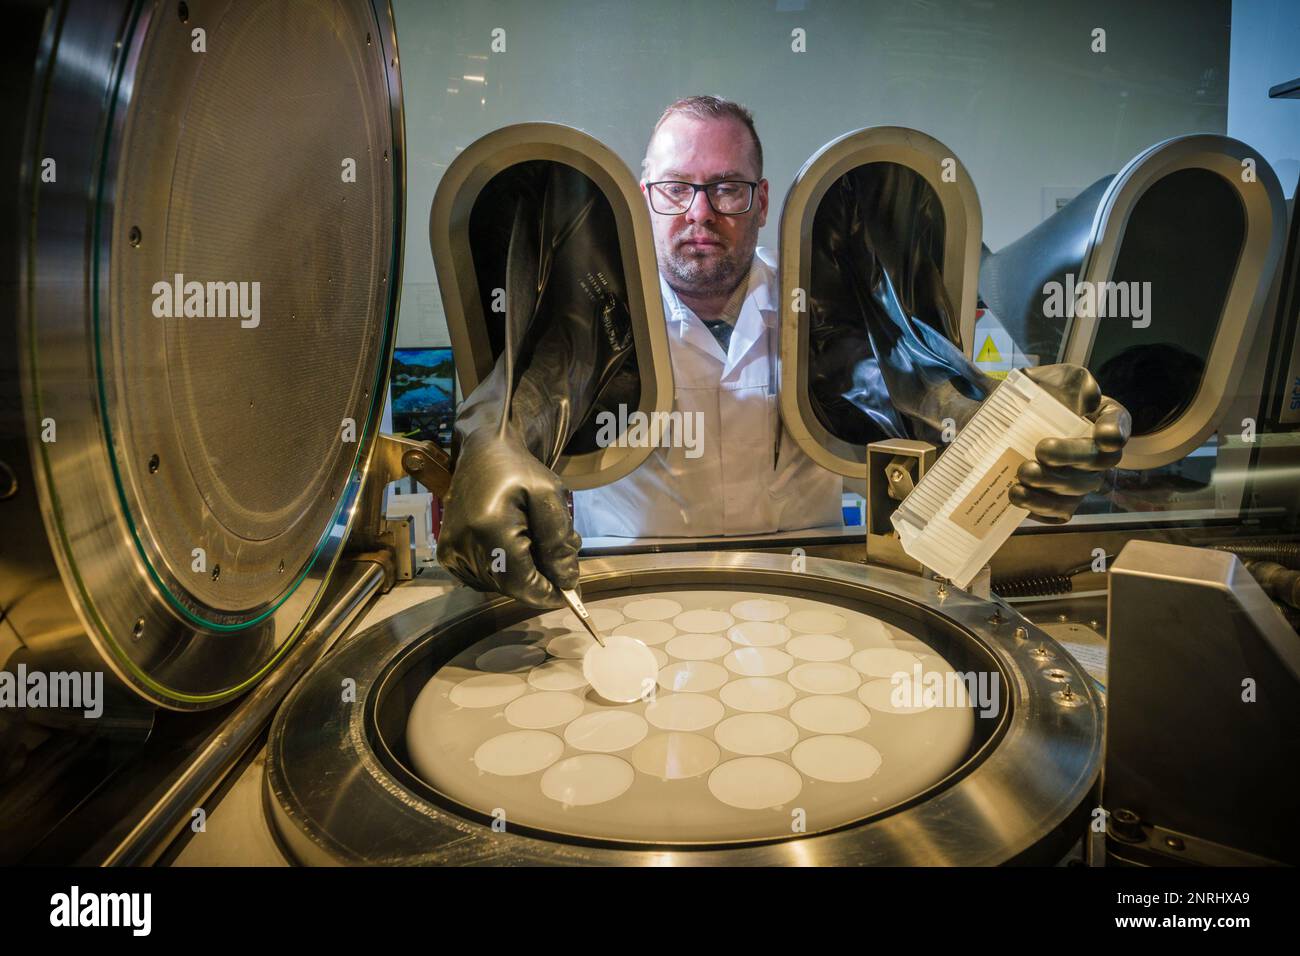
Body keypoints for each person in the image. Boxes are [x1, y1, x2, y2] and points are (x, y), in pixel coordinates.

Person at [436, 96, 1131, 608]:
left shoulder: (826, 305)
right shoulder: (597, 311)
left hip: (816, 602)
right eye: (676, 189)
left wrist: (1026, 428)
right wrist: (486, 443)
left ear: (763, 201)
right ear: (645, 198)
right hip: (630, 601)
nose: (700, 213)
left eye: (727, 189)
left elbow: (924, 382)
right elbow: (524, 384)